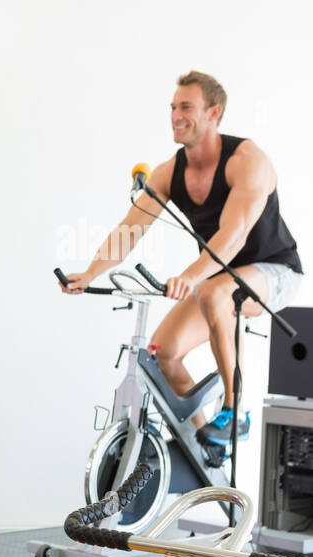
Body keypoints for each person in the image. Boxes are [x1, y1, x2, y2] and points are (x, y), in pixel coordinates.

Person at [62, 70, 302, 452]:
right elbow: (130, 230)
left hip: (274, 270)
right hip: (217, 279)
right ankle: (206, 449)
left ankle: (235, 411)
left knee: (217, 293)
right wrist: (89, 273)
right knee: (163, 353)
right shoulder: (169, 173)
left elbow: (234, 236)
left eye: (186, 107)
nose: (176, 115)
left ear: (213, 112)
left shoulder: (246, 161)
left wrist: (190, 277)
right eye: (173, 107)